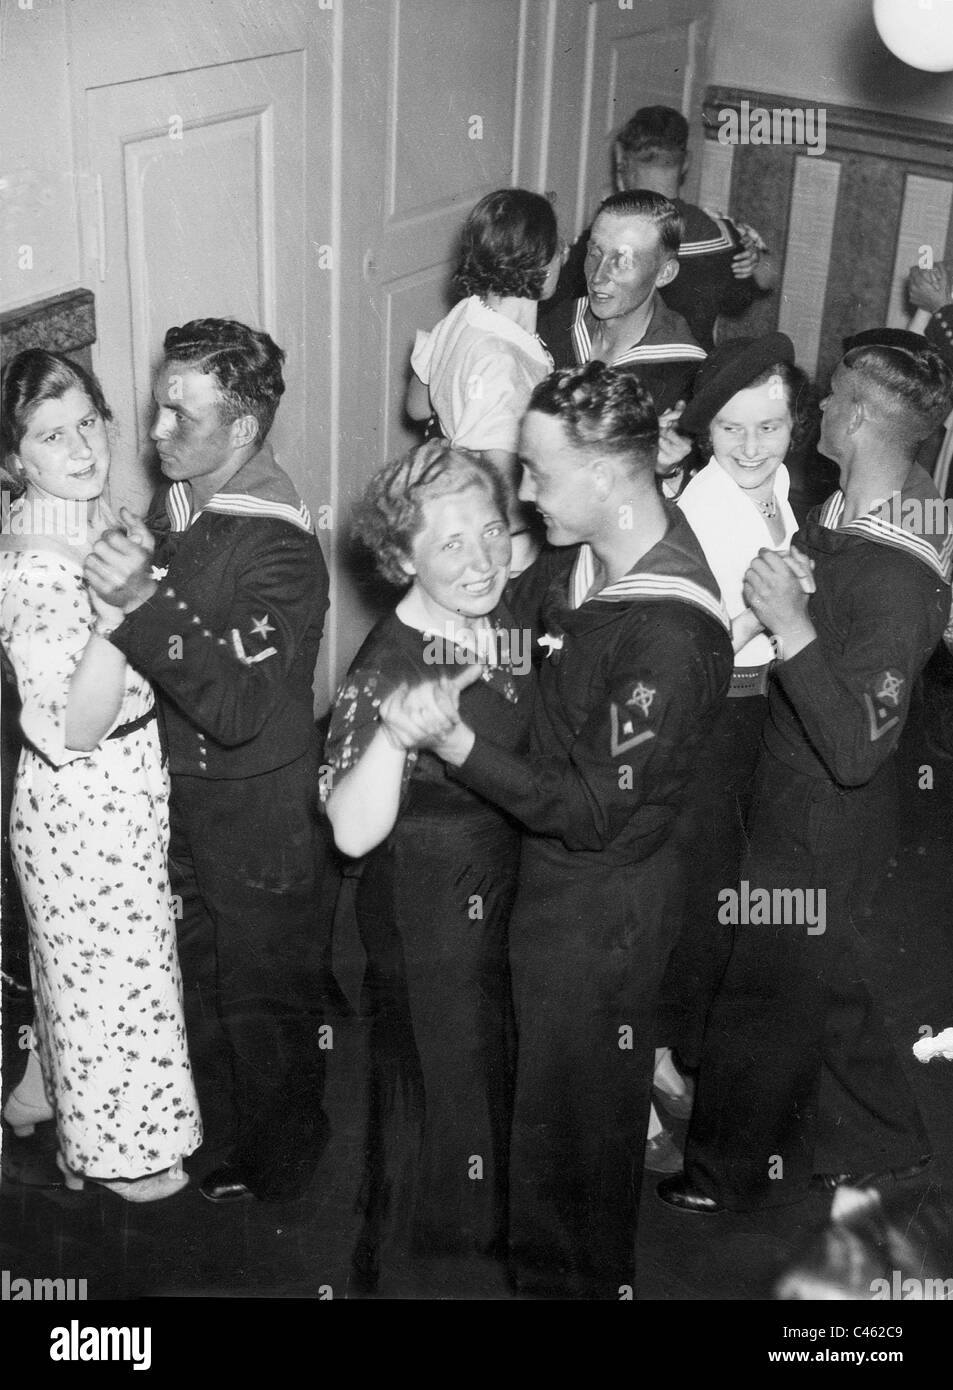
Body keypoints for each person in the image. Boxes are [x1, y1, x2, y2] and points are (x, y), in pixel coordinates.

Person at [379, 362, 734, 1299]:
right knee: (544, 1125)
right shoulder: (593, 557)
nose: (524, 498)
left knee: (572, 1150)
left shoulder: (668, 638)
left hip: (600, 920)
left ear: (610, 478)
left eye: (537, 475)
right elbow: (539, 648)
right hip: (548, 898)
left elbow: (588, 805)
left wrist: (453, 740)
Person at [659, 340, 953, 1215]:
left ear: (858, 418)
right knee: (828, 975)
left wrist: (789, 621)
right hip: (797, 794)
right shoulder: (848, 511)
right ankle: (880, 1140)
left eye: (830, 400)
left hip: (823, 815)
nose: (815, 408)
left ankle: (719, 1177)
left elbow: (859, 743)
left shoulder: (895, 570)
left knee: (762, 991)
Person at [83, 318, 331, 1205]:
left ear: (243, 430)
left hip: (256, 811)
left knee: (263, 998)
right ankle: (223, 1131)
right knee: (204, 977)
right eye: (158, 409)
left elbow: (234, 706)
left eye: (179, 418)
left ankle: (283, 1163)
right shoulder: (188, 501)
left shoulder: (280, 546)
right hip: (184, 797)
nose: (154, 434)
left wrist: (142, 596)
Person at [323, 440, 534, 1292]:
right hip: (428, 916)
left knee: (482, 1083)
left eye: (491, 532)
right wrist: (397, 735)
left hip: (496, 894)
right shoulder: (388, 665)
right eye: (450, 545)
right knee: (441, 1092)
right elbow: (347, 830)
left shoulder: (488, 611)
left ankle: (476, 1246)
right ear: (402, 555)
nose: (482, 559)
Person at [0, 348, 200, 1200]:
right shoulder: (29, 571)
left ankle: (39, 1098)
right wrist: (121, 619)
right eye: (52, 436)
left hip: (124, 784)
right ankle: (118, 1156)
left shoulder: (84, 514)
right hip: (82, 798)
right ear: (15, 461)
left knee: (87, 972)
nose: (82, 448)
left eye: (88, 422)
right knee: (114, 982)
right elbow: (75, 726)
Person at [647, 333, 816, 1170]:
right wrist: (769, 605)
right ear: (705, 430)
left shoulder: (779, 487)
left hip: (758, 713)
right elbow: (693, 648)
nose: (753, 450)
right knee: (681, 893)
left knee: (722, 890)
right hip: (710, 713)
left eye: (772, 427)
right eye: (732, 431)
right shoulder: (697, 512)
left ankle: (670, 1047)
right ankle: (640, 1059)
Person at [407, 188, 564, 574]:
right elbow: (502, 497)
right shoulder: (502, 363)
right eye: (559, 249)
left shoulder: (466, 313)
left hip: (453, 498)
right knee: (514, 636)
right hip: (503, 553)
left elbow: (416, 405)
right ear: (542, 266)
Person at [544, 105, 779, 352]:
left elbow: (555, 304)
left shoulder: (605, 239)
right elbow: (766, 277)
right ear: (685, 162)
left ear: (621, 160)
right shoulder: (721, 235)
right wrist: (757, 256)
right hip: (692, 377)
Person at [540, 190, 706, 423]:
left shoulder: (684, 374)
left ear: (664, 273)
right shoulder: (553, 326)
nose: (598, 276)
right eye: (594, 253)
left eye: (624, 262)